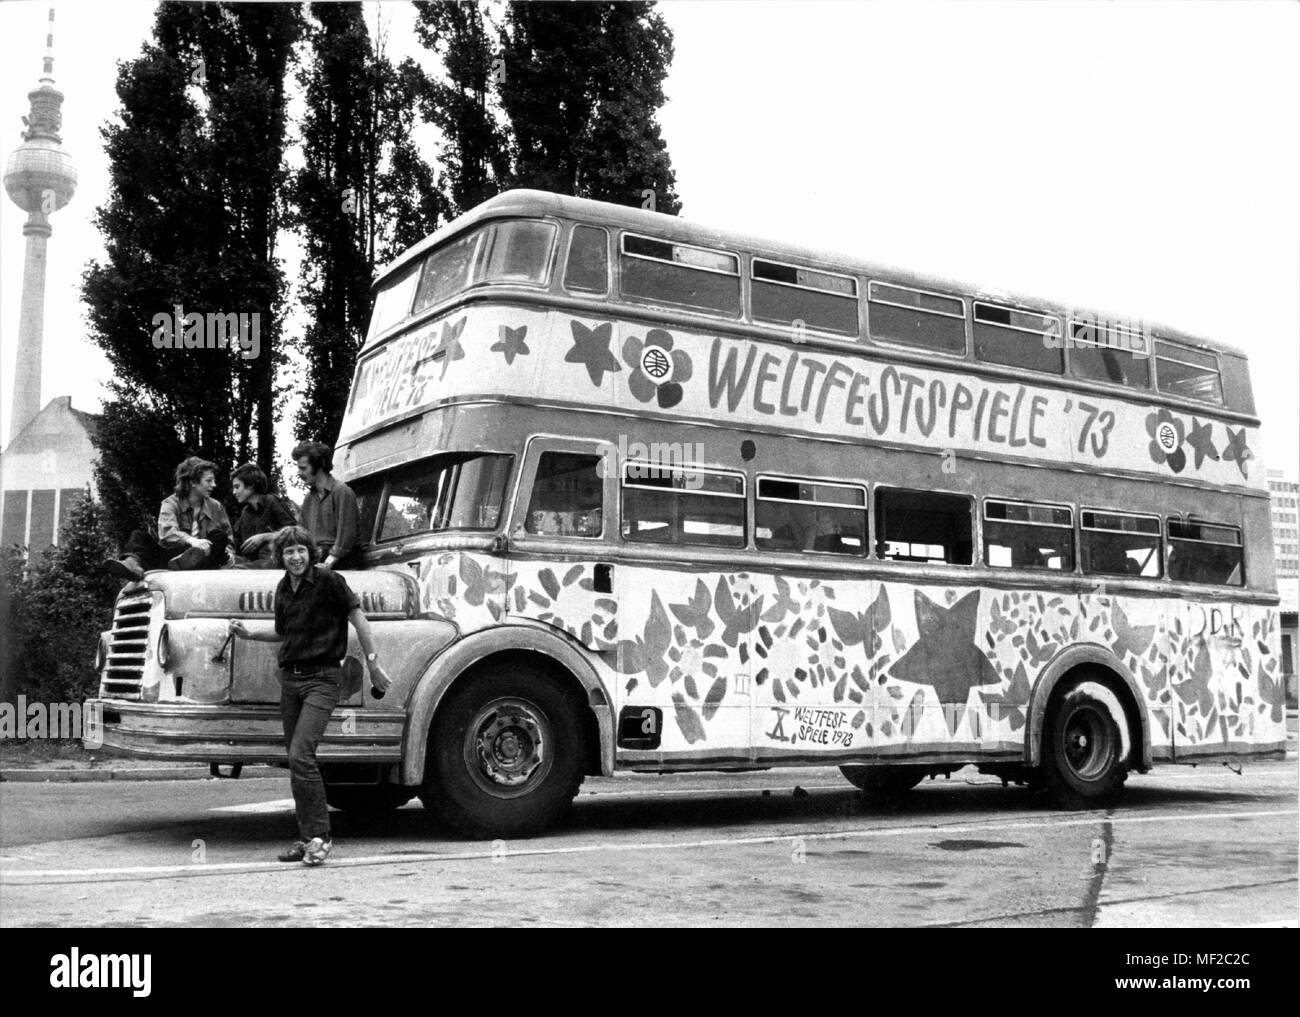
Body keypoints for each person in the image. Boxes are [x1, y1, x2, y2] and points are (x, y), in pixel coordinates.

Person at [227, 526, 392, 866]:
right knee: (297, 760)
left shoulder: (330, 581)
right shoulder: (283, 588)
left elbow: (359, 619)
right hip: (292, 680)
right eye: (289, 552)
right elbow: (282, 632)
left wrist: (374, 664)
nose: (296, 557)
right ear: (281, 557)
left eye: (301, 550)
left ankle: (320, 837)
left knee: (302, 755)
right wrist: (247, 632)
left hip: (323, 678)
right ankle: (307, 839)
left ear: (310, 552)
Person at [103, 456, 233, 580]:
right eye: (209, 481)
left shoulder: (216, 506)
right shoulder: (170, 503)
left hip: (206, 557)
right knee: (138, 536)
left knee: (219, 536)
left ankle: (193, 560)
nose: (214, 485)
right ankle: (132, 565)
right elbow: (167, 535)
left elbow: (228, 539)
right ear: (193, 481)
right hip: (173, 558)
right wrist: (190, 540)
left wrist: (228, 555)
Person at [294, 440, 360, 569]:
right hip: (317, 557)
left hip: (340, 562)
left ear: (318, 466)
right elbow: (301, 536)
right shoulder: (309, 498)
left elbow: (346, 536)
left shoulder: (342, 491)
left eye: (303, 468)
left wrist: (328, 562)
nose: (299, 473)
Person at [226, 462, 297, 568]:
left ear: (250, 485)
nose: (234, 492)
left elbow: (294, 531)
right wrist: (228, 550)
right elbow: (235, 539)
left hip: (274, 560)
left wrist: (265, 537)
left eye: (237, 487)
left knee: (238, 569)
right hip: (251, 561)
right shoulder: (246, 511)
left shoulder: (271, 501)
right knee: (223, 563)